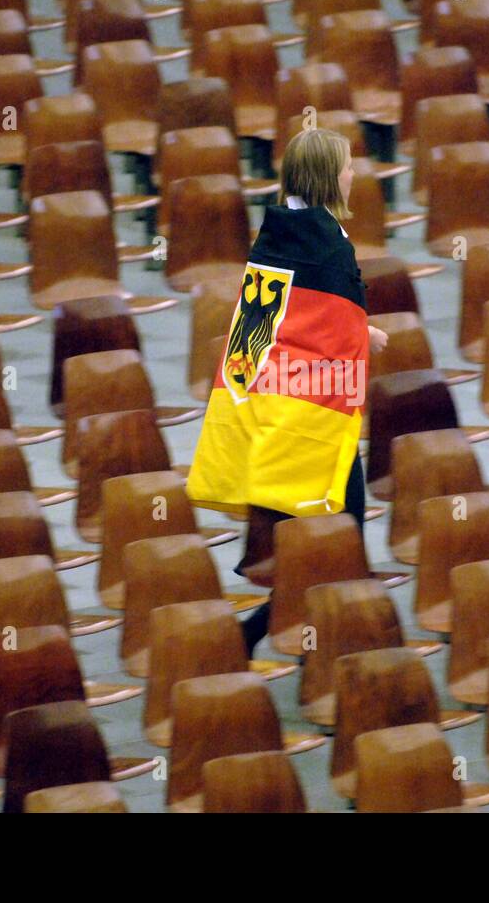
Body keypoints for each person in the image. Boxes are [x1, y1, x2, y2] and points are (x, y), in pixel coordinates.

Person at [184, 127, 387, 655]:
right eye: (345, 166)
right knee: (341, 541)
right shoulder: (326, 242)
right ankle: (279, 640)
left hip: (280, 410)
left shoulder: (277, 232)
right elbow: (322, 328)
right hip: (317, 416)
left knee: (315, 543)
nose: (353, 175)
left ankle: (274, 638)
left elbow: (280, 323)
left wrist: (359, 332)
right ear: (325, 175)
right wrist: (357, 339)